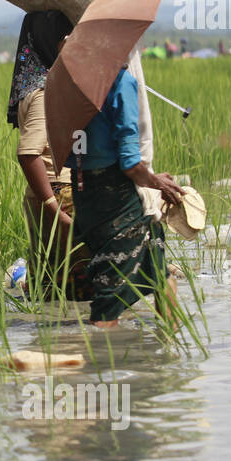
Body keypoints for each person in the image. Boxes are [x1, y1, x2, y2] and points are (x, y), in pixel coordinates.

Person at [69, 60, 184, 327]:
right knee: (109, 300)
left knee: (159, 270)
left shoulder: (70, 83)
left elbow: (74, 148)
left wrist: (152, 179)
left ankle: (171, 341)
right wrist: (157, 182)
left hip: (85, 191)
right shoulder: (120, 82)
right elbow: (130, 162)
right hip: (119, 200)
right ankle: (97, 360)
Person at [8, 10, 92, 300]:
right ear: (48, 41)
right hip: (58, 193)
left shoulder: (39, 86)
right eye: (65, 38)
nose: (71, 44)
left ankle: (52, 341)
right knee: (81, 286)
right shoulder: (44, 92)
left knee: (53, 286)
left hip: (47, 195)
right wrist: (53, 205)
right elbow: (28, 153)